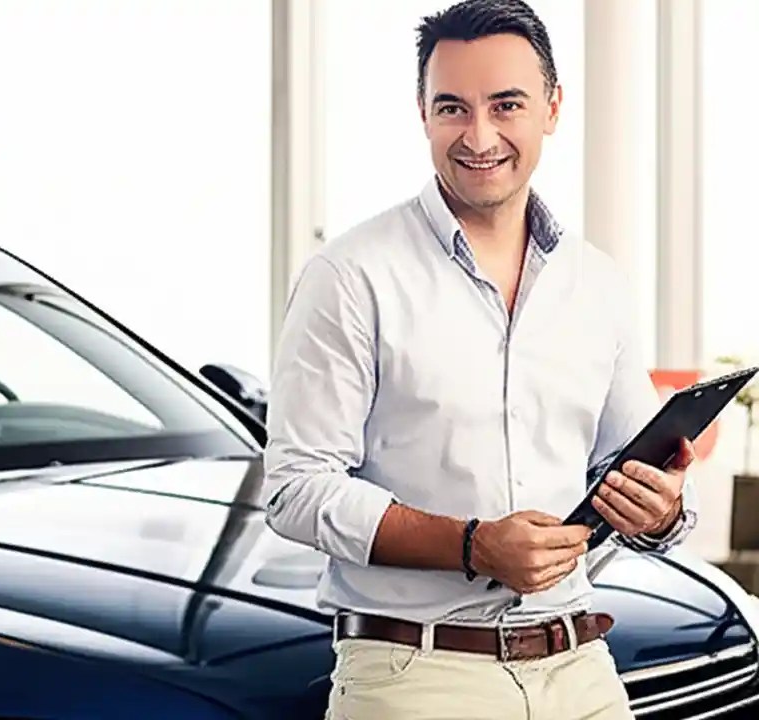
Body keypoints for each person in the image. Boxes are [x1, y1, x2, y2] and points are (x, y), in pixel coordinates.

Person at [262, 1, 699, 718]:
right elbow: (296, 489)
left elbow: (622, 471)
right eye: (453, 108)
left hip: (581, 670)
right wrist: (472, 545)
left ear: (552, 108)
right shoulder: (351, 276)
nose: (480, 135)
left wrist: (657, 511)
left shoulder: (599, 284)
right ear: (422, 113)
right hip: (413, 676)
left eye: (507, 105)